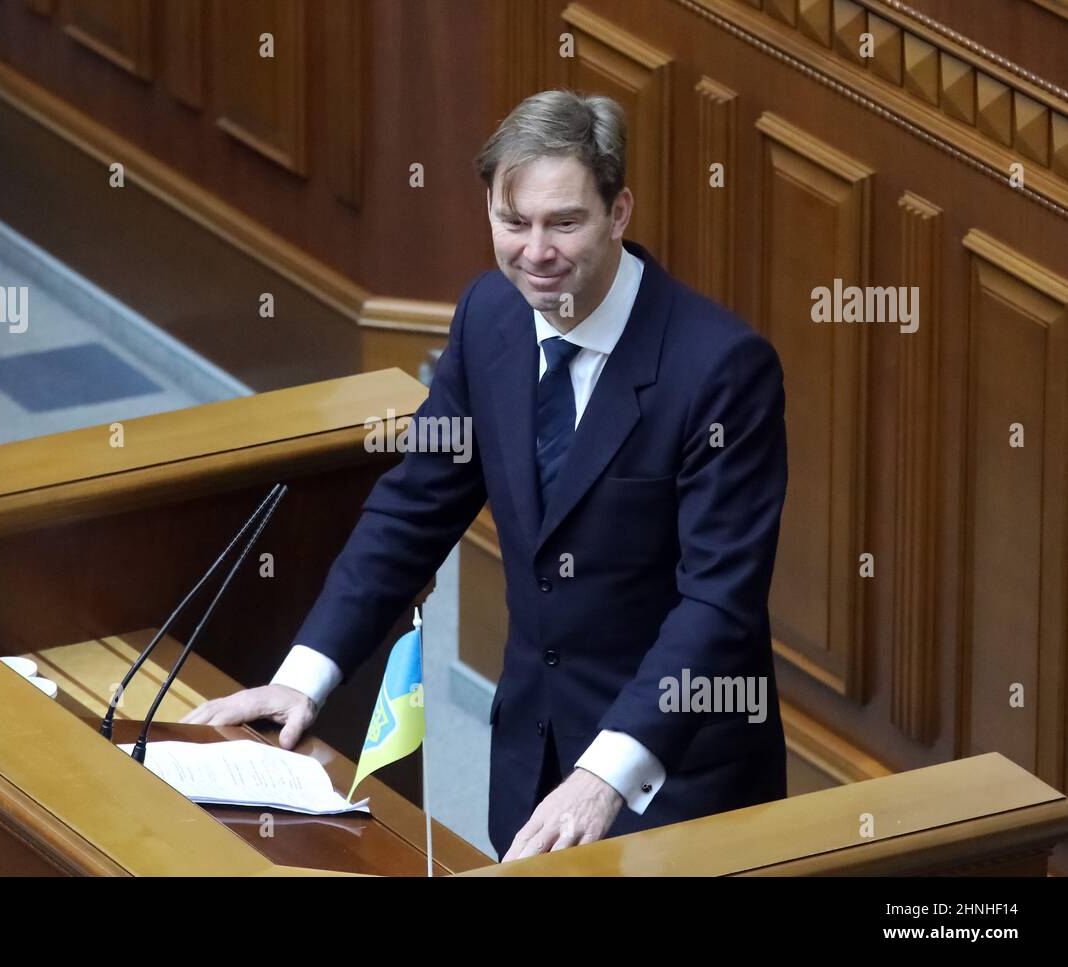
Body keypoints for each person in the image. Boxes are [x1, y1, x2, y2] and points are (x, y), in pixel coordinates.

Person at [185, 89, 789, 862]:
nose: (535, 251)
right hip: (532, 762)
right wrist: (307, 674)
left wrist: (603, 773)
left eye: (564, 222)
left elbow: (718, 603)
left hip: (673, 781)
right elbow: (415, 506)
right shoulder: (489, 317)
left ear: (620, 211)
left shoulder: (720, 370)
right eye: (514, 222)